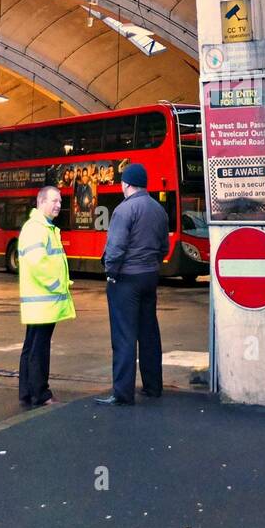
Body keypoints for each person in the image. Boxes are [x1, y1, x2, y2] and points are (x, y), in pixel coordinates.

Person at [96, 162, 170, 407]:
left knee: (124, 335)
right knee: (149, 333)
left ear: (126, 184)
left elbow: (115, 248)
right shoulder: (159, 210)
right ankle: (153, 386)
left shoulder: (124, 210)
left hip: (126, 279)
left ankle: (122, 393)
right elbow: (164, 247)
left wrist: (111, 273)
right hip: (150, 276)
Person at [17, 185, 76, 407]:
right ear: (41, 202)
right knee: (38, 349)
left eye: (60, 201)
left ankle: (27, 392)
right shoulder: (37, 229)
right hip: (43, 300)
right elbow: (38, 263)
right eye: (54, 201)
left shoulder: (44, 228)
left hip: (40, 301)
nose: (58, 205)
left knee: (32, 346)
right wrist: (57, 284)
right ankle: (40, 393)